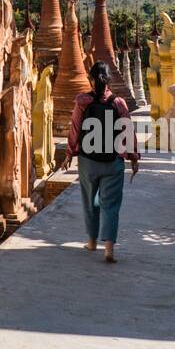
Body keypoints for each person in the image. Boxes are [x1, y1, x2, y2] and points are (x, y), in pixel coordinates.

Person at [61, 60, 139, 263]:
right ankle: (109, 249)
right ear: (109, 81)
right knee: (110, 205)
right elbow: (127, 131)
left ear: (90, 79)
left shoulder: (83, 101)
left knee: (89, 202)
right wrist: (133, 158)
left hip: (88, 161)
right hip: (113, 161)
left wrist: (69, 154)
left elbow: (75, 129)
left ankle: (91, 242)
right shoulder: (118, 103)